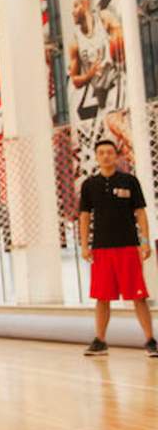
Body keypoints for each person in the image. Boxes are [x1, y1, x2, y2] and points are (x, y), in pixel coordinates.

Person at [78, 138, 157, 356]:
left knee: (138, 296)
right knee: (102, 297)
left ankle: (150, 341)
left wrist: (145, 242)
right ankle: (100, 341)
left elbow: (140, 213)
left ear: (116, 155)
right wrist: (84, 246)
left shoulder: (130, 181)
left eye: (109, 152)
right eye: (101, 152)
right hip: (101, 249)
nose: (105, 156)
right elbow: (84, 217)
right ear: (96, 156)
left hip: (128, 247)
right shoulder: (89, 185)